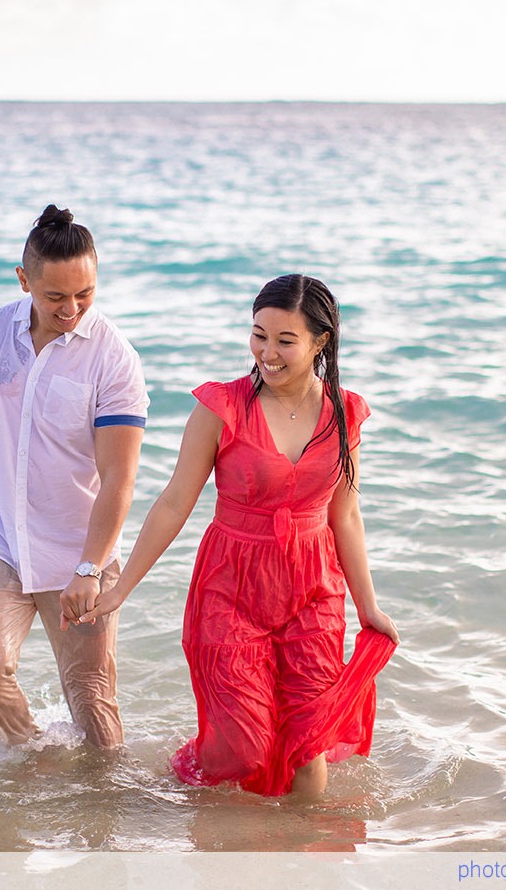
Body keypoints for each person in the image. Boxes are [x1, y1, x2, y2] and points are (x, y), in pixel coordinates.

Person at [78, 274, 399, 797]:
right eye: (258, 335)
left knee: (306, 741)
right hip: (232, 587)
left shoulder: (345, 413)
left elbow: (346, 515)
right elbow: (174, 502)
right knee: (243, 744)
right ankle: (189, 787)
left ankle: (304, 862)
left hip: (313, 591)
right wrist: (119, 589)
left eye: (285, 341)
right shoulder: (221, 407)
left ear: (321, 342)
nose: (267, 353)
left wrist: (367, 606)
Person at [0, 205, 149, 749]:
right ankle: (33, 757)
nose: (71, 309)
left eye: (85, 294)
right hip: (0, 537)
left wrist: (91, 567)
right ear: (24, 280)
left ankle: (104, 814)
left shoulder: (113, 358)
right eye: (55, 297)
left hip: (79, 549)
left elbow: (119, 477)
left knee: (92, 702)